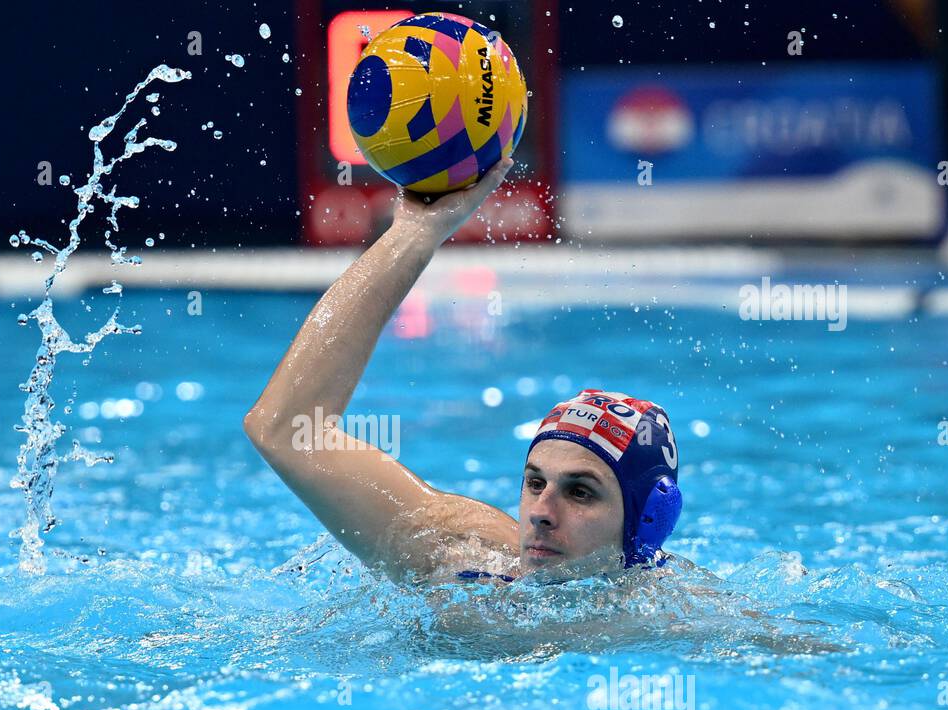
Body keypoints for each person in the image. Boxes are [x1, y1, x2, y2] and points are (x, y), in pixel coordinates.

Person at [243, 157, 681, 587]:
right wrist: (415, 233)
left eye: (580, 492)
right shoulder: (463, 558)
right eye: (534, 482)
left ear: (648, 522)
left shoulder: (683, 622)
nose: (539, 513)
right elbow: (287, 429)